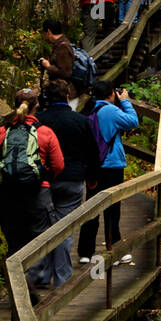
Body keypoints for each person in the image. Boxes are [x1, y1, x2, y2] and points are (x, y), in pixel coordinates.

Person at [0, 88, 65, 302]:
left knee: (14, 243)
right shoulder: (45, 132)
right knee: (38, 239)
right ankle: (30, 281)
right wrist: (45, 176)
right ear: (35, 106)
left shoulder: (3, 132)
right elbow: (59, 164)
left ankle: (20, 287)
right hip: (38, 193)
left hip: (8, 195)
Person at [34, 80, 100, 289]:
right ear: (66, 97)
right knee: (65, 229)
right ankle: (62, 279)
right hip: (72, 179)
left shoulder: (39, 121)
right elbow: (93, 152)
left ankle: (42, 276)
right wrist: (92, 177)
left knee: (43, 227)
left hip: (44, 180)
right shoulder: (81, 121)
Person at [77, 82, 139, 267]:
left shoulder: (90, 110)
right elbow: (133, 121)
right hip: (111, 165)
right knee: (113, 209)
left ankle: (85, 252)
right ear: (112, 94)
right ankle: (115, 249)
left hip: (93, 166)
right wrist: (126, 101)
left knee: (92, 207)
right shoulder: (110, 111)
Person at [40, 18, 75, 90]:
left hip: (64, 92)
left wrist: (48, 66)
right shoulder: (59, 44)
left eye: (44, 34)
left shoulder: (63, 46)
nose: (44, 37)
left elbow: (65, 72)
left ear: (49, 32)